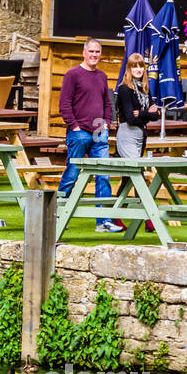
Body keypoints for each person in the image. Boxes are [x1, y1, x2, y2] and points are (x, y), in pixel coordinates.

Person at [57, 38, 124, 232]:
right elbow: (64, 104)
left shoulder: (102, 76)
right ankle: (58, 214)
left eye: (97, 52)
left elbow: (107, 102)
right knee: (72, 173)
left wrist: (106, 122)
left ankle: (103, 221)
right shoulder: (73, 75)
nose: (94, 55)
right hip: (79, 134)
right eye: (91, 51)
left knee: (102, 175)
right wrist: (74, 127)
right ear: (84, 53)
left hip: (98, 134)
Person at [116, 52, 159, 159]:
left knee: (132, 172)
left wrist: (141, 113)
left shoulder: (145, 89)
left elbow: (156, 116)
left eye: (141, 66)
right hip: (127, 134)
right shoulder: (125, 89)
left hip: (141, 133)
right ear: (129, 69)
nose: (138, 69)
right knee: (134, 170)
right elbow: (130, 119)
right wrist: (148, 113)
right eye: (134, 67)